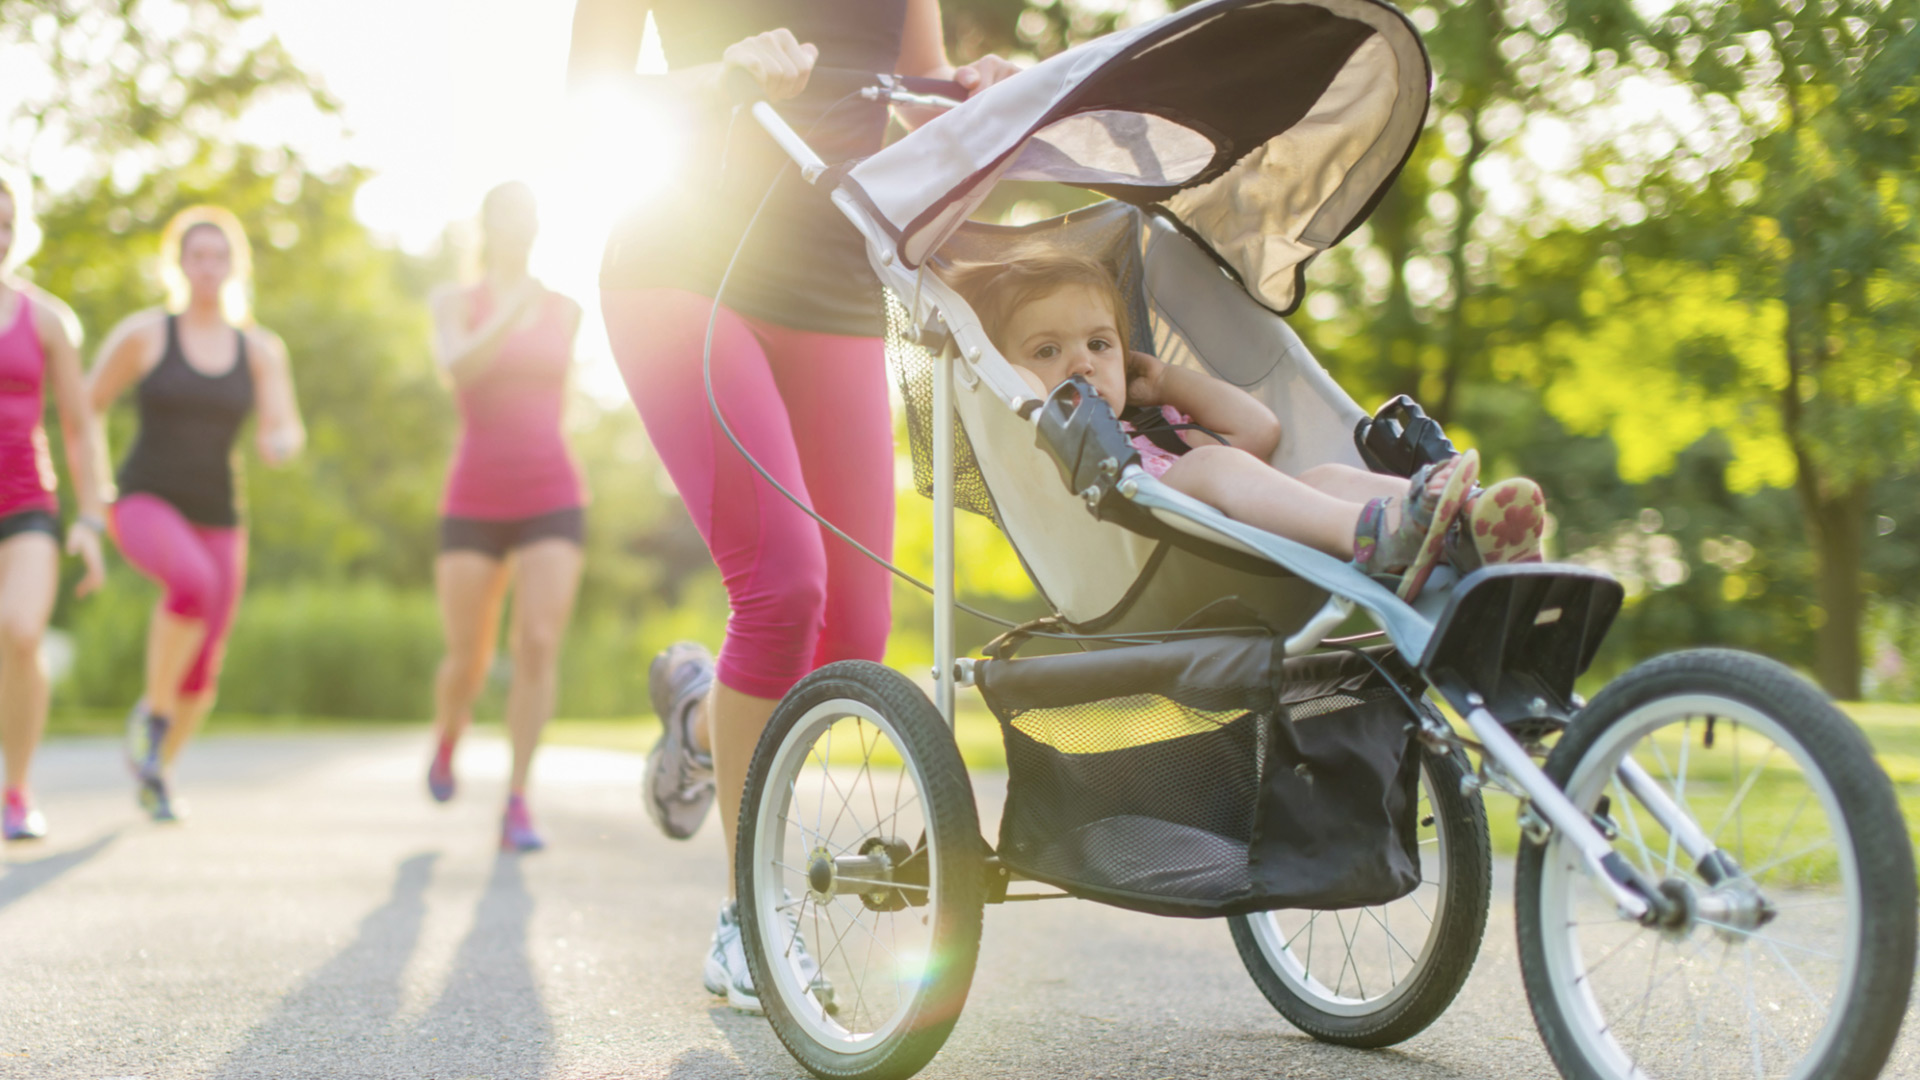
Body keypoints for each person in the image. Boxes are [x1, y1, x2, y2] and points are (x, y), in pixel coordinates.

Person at [567, 0, 1020, 1012]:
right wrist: (721, 73)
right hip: (684, 260)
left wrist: (980, 100)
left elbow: (922, 104)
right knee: (783, 587)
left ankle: (700, 716)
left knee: (853, 631)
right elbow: (590, 99)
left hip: (835, 281)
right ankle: (749, 921)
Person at [942, 249, 1547, 593]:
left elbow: (1260, 431)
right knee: (1214, 463)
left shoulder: (1156, 429)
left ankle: (1466, 525)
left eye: (1100, 345)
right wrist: (1007, 370)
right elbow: (1018, 392)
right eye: (1047, 350)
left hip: (1231, 541)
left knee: (1324, 478)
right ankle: (1376, 534)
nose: (1082, 363)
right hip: (1145, 556)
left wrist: (1166, 381)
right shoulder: (1043, 439)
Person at [88, 205, 305, 822]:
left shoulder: (260, 349)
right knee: (192, 582)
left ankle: (159, 772)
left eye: (219, 256)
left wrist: (280, 443)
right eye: (197, 256)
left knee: (205, 665)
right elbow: (86, 406)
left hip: (220, 514)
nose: (208, 267)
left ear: (234, 266)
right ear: (179, 264)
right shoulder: (145, 335)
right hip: (142, 500)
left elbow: (285, 424)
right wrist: (95, 489)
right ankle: (154, 716)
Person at [425, 181, 587, 854]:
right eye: (510, 214)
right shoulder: (455, 302)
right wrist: (509, 312)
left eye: (531, 214)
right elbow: (456, 368)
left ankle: (517, 799)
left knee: (539, 641)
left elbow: (561, 396)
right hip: (475, 495)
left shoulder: (566, 309)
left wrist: (530, 308)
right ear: (487, 225)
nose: (522, 224)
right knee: (468, 657)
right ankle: (448, 734)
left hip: (551, 489)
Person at [0, 170, 107, 841]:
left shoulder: (46, 319)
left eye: (7, 223)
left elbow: (80, 423)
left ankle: (16, 790)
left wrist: (92, 515)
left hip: (26, 502)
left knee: (21, 632)